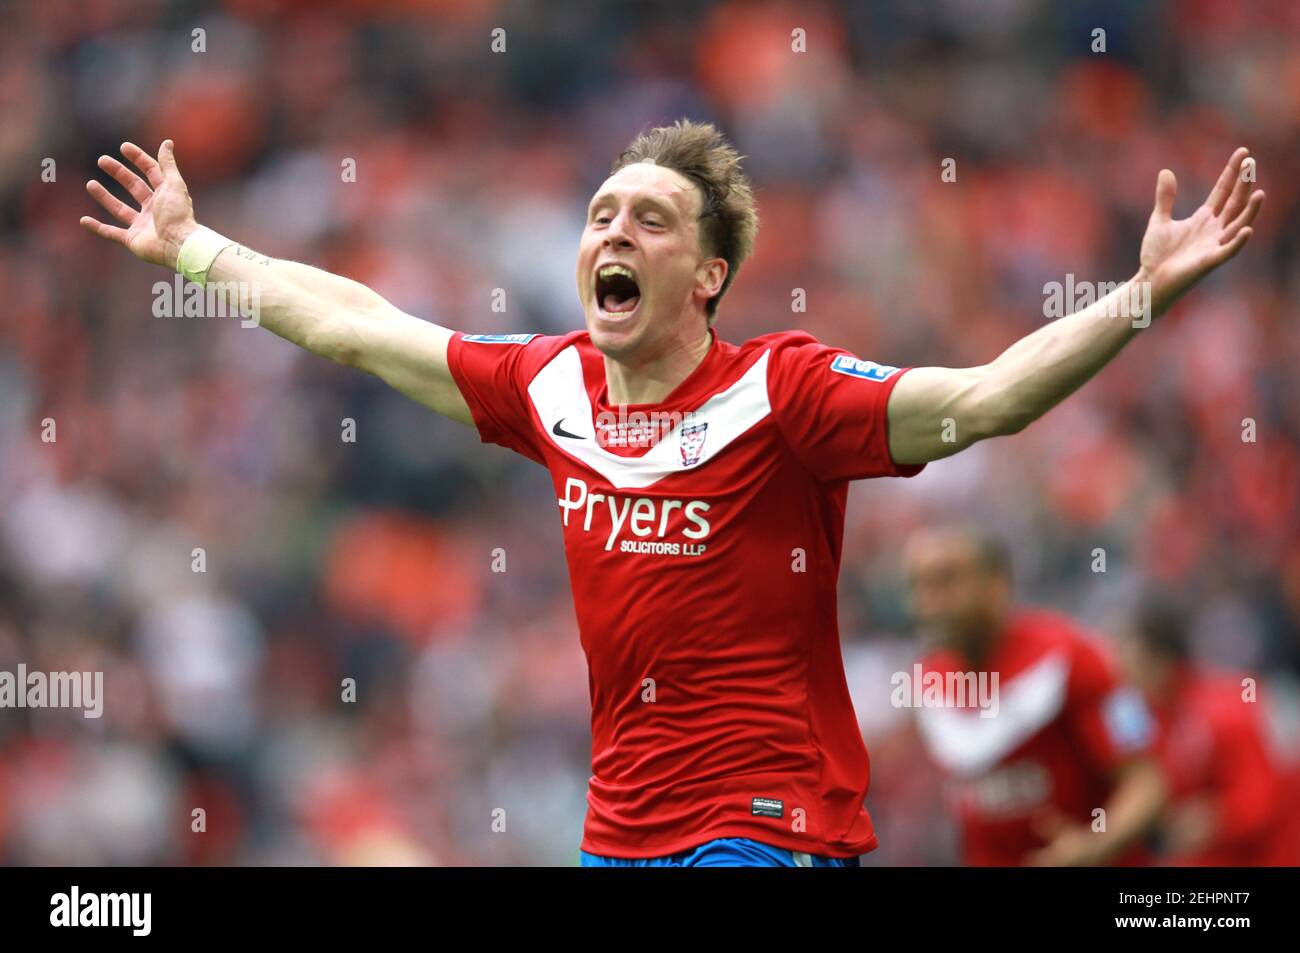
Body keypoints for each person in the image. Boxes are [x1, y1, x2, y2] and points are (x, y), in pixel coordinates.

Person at [81, 119, 1262, 866]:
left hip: (765, 822)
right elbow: (355, 327)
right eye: (602, 213)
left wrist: (1139, 294)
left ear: (707, 275)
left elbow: (991, 397)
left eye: (651, 219)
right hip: (617, 832)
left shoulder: (785, 393)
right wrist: (195, 248)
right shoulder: (548, 386)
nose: (615, 231)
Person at [903, 527, 1165, 866]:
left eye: (946, 581)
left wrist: (1096, 845)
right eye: (918, 586)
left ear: (997, 585)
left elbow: (1147, 781)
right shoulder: (926, 681)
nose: (929, 602)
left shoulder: (1072, 655)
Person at [1116, 594, 1291, 865]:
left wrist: (1217, 819)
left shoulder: (1226, 709)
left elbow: (1262, 797)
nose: (1119, 668)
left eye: (1128, 656)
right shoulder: (1142, 718)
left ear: (1159, 659)